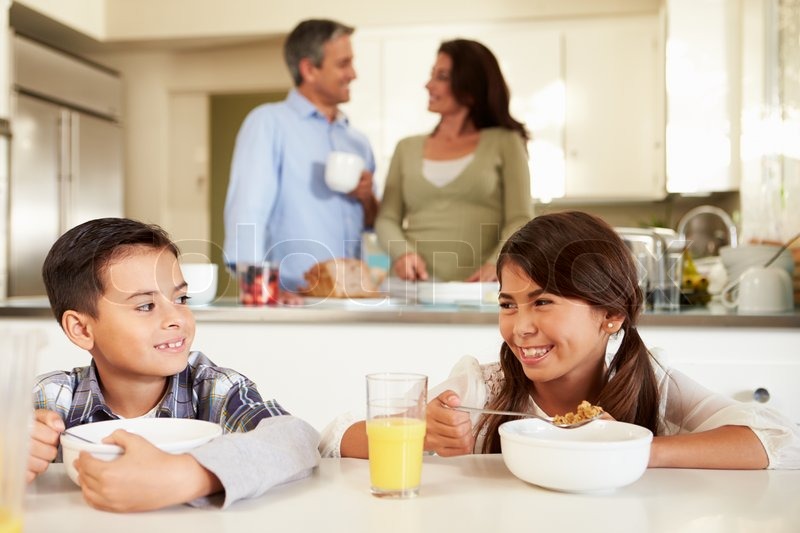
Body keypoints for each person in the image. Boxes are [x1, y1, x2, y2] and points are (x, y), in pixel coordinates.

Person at [326, 211, 800, 469]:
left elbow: (777, 439)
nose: (520, 327)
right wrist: (422, 432)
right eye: (508, 304)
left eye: (543, 302)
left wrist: (633, 450)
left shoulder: (650, 384)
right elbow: (334, 438)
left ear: (611, 315)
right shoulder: (482, 390)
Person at [28, 218, 321, 512]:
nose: (177, 318)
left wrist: (190, 476)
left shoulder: (215, 389)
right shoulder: (50, 397)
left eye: (181, 298)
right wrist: (12, 455)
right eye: (145, 306)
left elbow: (296, 440)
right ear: (81, 329)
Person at [223, 18, 378, 293]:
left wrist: (367, 198)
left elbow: (372, 224)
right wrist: (260, 289)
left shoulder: (358, 142)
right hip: (291, 296)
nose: (353, 74)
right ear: (309, 69)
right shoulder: (269, 123)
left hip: (350, 296)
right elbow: (247, 213)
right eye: (343, 64)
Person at [375, 39, 532, 283]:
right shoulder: (406, 147)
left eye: (442, 77)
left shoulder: (506, 143)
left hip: (477, 289)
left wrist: (498, 263)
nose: (428, 85)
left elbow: (520, 218)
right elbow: (387, 218)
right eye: (432, 75)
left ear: (470, 87)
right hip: (411, 287)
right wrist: (402, 253)